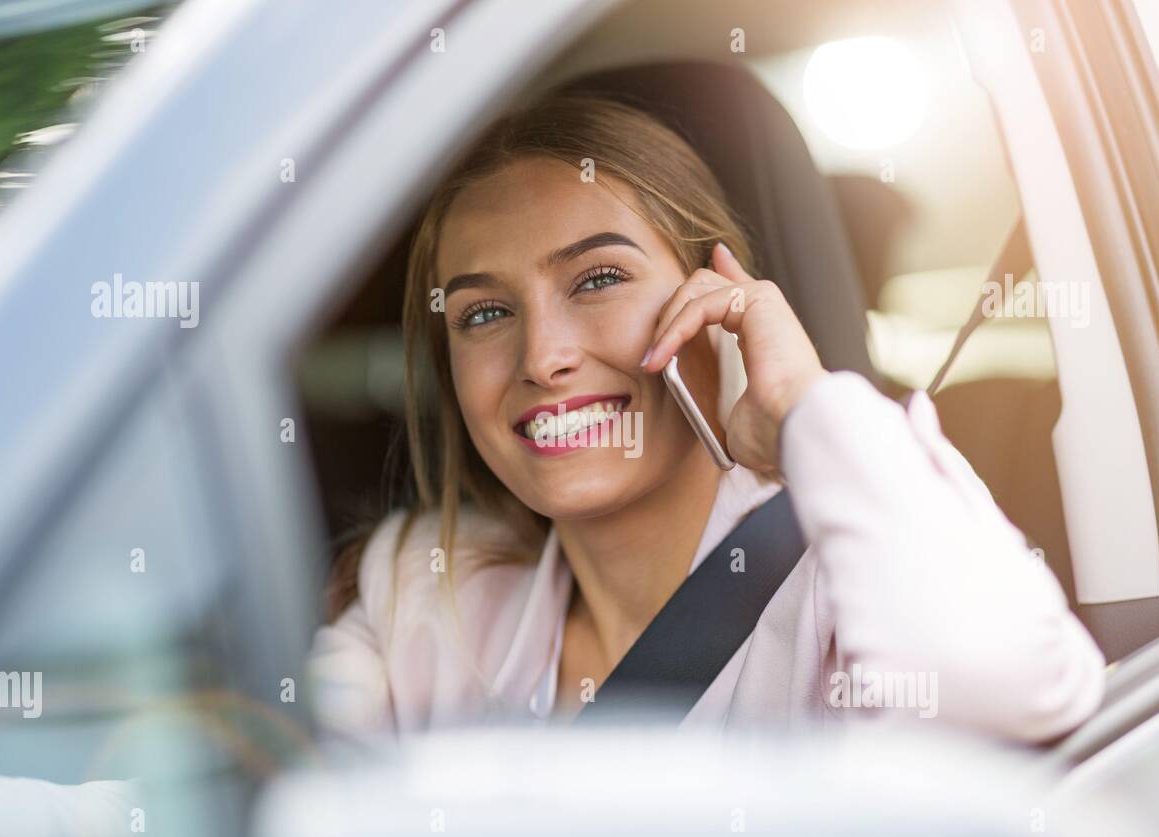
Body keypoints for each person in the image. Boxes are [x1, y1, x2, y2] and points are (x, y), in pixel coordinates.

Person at [309, 91, 1106, 741]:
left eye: (597, 280)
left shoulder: (843, 588)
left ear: (714, 303)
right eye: (484, 315)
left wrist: (803, 411)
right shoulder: (424, 592)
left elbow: (1010, 689)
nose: (542, 358)